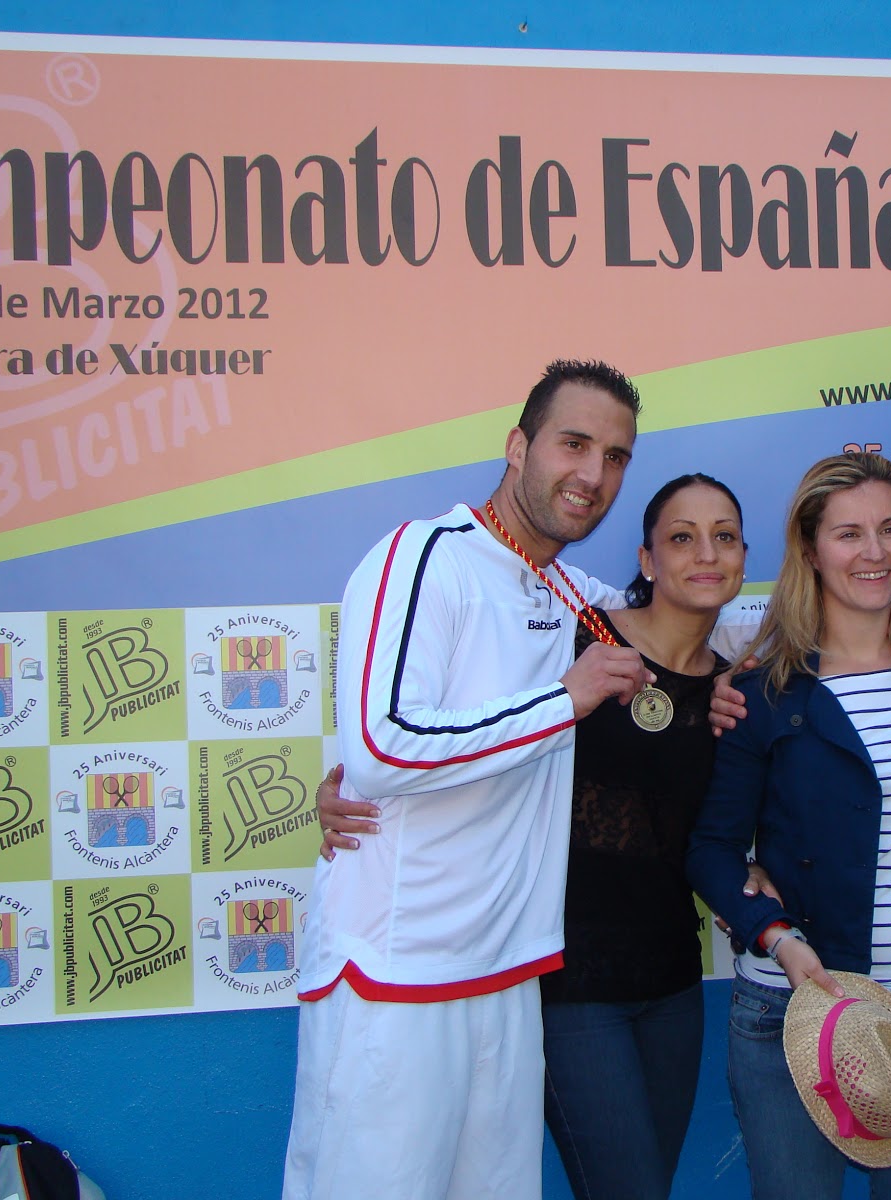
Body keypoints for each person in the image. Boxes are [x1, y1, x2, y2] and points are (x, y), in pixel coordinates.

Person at [318, 474, 750, 1200]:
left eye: (725, 537)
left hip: (673, 981)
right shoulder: (579, 636)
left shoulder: (737, 689)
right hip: (566, 981)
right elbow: (443, 725)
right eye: (682, 537)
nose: (706, 554)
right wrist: (352, 789)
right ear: (646, 559)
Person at [281, 359, 653, 1200]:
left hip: (506, 976)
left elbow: (683, 624)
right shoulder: (423, 556)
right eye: (573, 444)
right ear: (518, 446)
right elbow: (382, 747)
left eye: (616, 456)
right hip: (395, 975)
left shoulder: (571, 592)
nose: (593, 474)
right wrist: (563, 700)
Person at [687, 451, 891, 1200]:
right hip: (795, 1010)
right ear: (811, 551)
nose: (874, 552)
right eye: (848, 534)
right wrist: (776, 937)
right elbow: (712, 850)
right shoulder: (762, 692)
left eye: (890, 529)